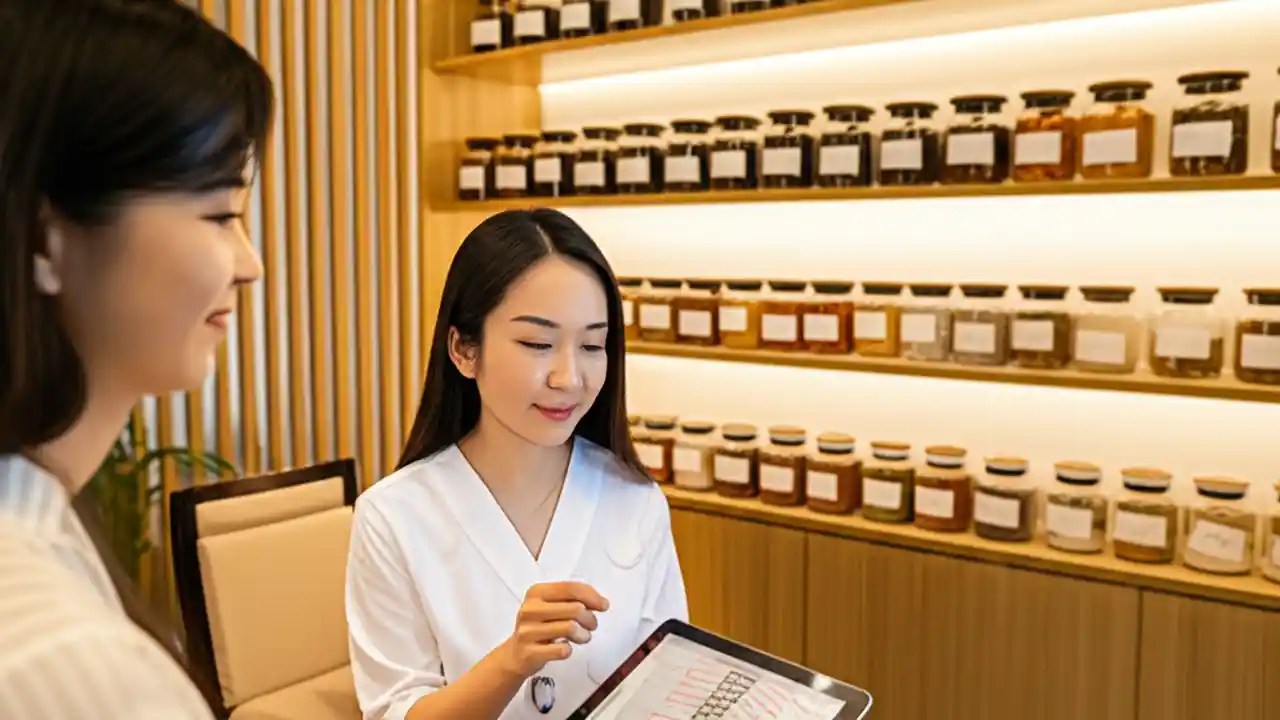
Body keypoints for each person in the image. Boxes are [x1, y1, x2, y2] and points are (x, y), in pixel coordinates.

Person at [0, 1, 272, 717]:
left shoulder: (43, 521)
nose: (251, 265)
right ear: (44, 240)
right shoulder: (62, 661)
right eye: (220, 214)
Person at [346, 209, 689, 720]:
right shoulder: (393, 516)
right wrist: (510, 662)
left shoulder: (634, 499)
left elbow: (670, 684)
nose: (569, 378)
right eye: (537, 344)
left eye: (593, 345)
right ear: (464, 350)